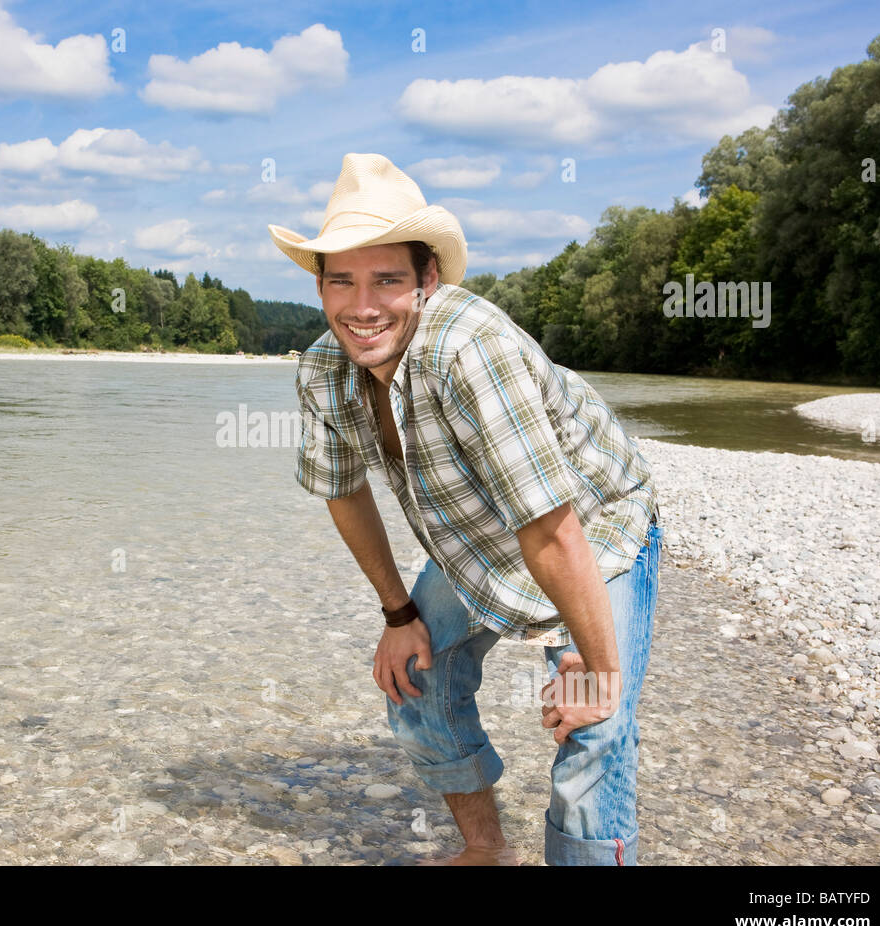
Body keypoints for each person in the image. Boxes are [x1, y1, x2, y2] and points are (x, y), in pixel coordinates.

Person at [270, 153, 661, 866]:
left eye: (387, 279)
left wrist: (595, 671)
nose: (362, 307)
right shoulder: (325, 368)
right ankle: (486, 850)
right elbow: (342, 489)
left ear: (428, 279)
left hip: (591, 525)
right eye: (342, 281)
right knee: (412, 685)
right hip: (472, 537)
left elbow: (550, 528)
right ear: (320, 286)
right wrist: (397, 615)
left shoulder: (470, 347)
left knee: (593, 732)